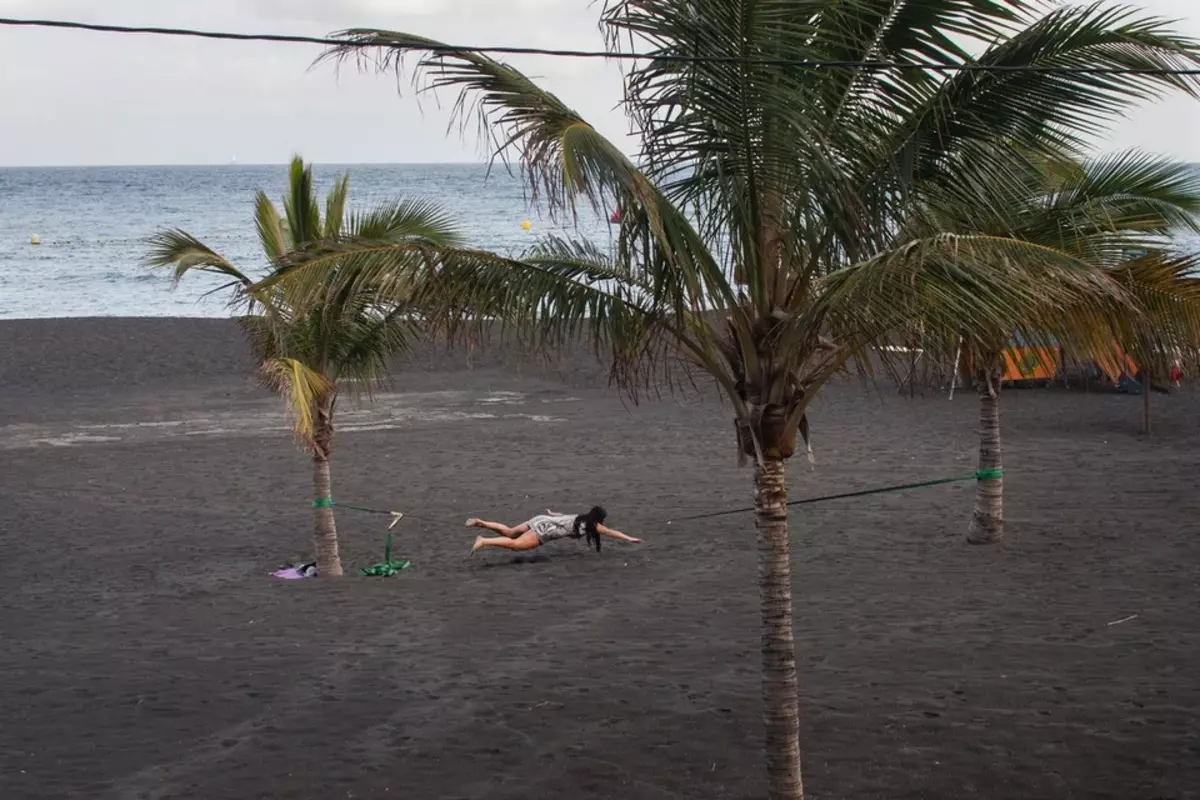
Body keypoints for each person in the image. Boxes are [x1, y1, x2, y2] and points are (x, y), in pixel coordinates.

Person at [465, 505, 641, 555]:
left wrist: (551, 513)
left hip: (542, 519)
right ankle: (483, 540)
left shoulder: (580, 517)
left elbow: (562, 516)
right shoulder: (593, 526)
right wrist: (629, 538)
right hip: (545, 530)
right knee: (515, 545)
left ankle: (482, 522)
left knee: (510, 532)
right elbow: (612, 532)